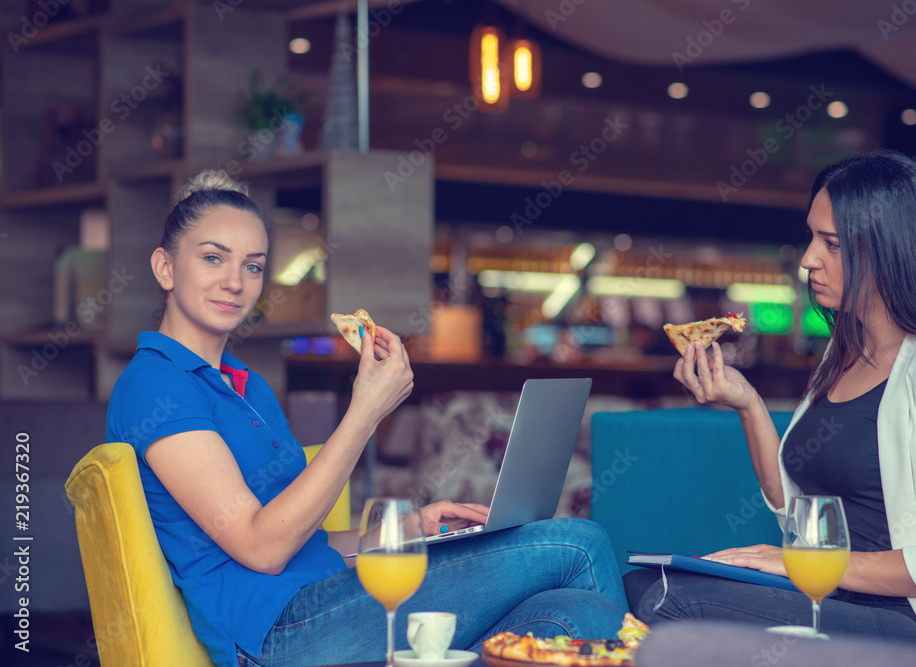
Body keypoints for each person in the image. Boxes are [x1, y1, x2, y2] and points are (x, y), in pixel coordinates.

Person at [105, 170, 628, 667]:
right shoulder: (157, 385)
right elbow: (262, 548)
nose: (236, 282)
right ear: (165, 267)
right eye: (213, 258)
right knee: (579, 544)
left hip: (333, 601)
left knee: (584, 614)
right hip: (280, 635)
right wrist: (365, 411)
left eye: (253, 265)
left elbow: (306, 542)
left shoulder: (247, 386)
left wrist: (407, 534)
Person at [624, 150, 916, 656]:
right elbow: (798, 517)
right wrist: (748, 404)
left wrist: (806, 564)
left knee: (673, 602)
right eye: (812, 238)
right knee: (645, 585)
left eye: (833, 244)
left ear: (892, 249)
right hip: (836, 600)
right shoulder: (845, 354)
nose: (807, 259)